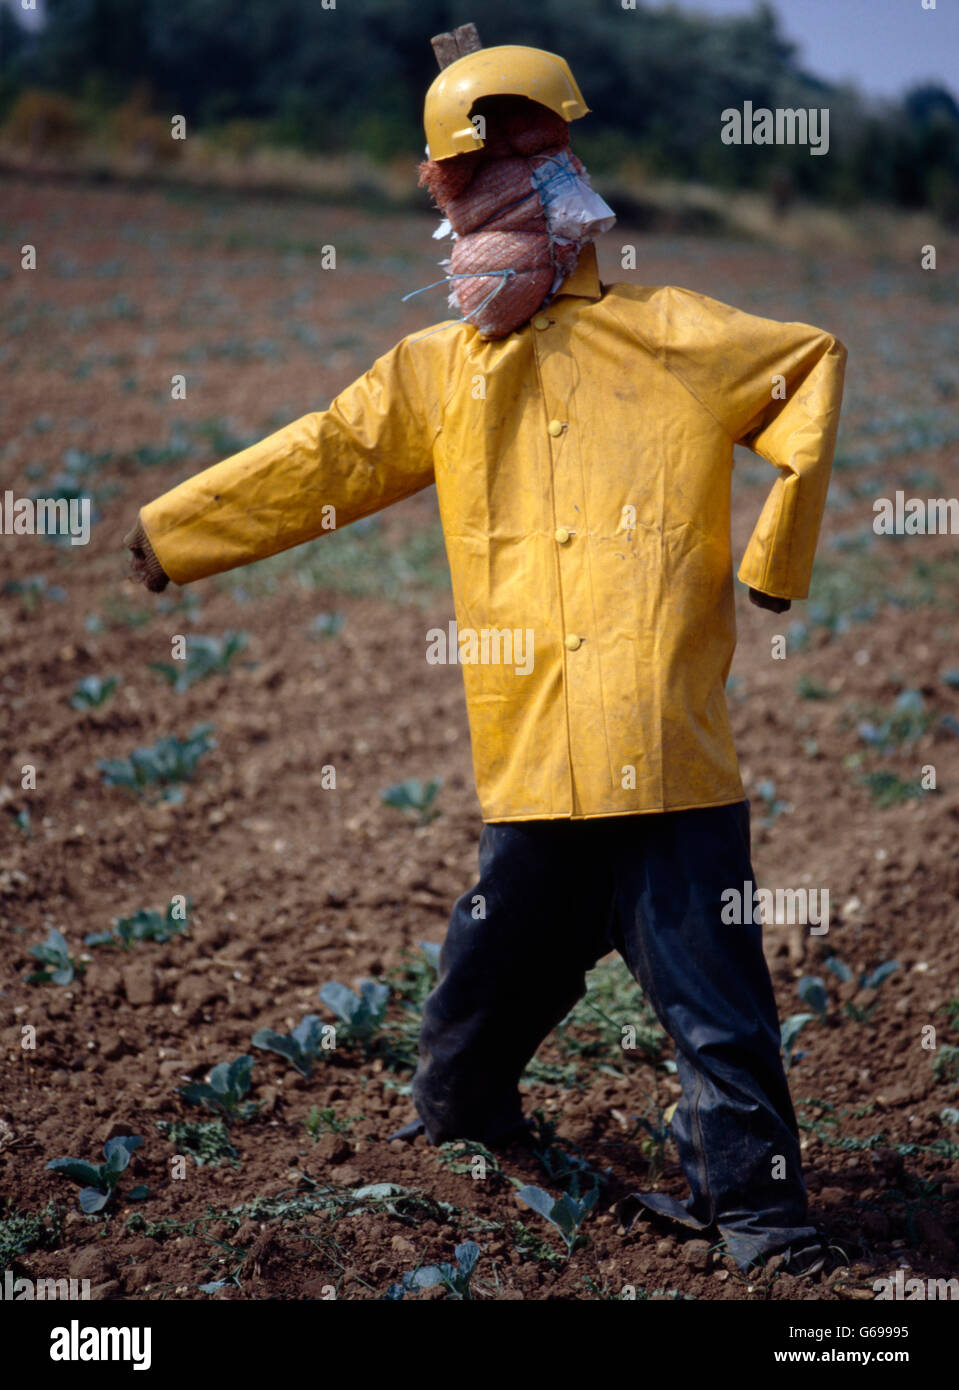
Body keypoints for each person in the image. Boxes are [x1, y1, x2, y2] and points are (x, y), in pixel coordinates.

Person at [124, 41, 847, 1278]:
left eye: (508, 177)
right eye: (461, 189)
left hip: (663, 755)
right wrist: (173, 534)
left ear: (562, 184)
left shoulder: (676, 338)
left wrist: (774, 557)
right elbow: (324, 461)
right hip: (531, 756)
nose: (477, 217)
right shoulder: (436, 377)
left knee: (716, 1010)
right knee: (487, 971)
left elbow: (811, 362)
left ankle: (765, 1224)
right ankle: (461, 1116)